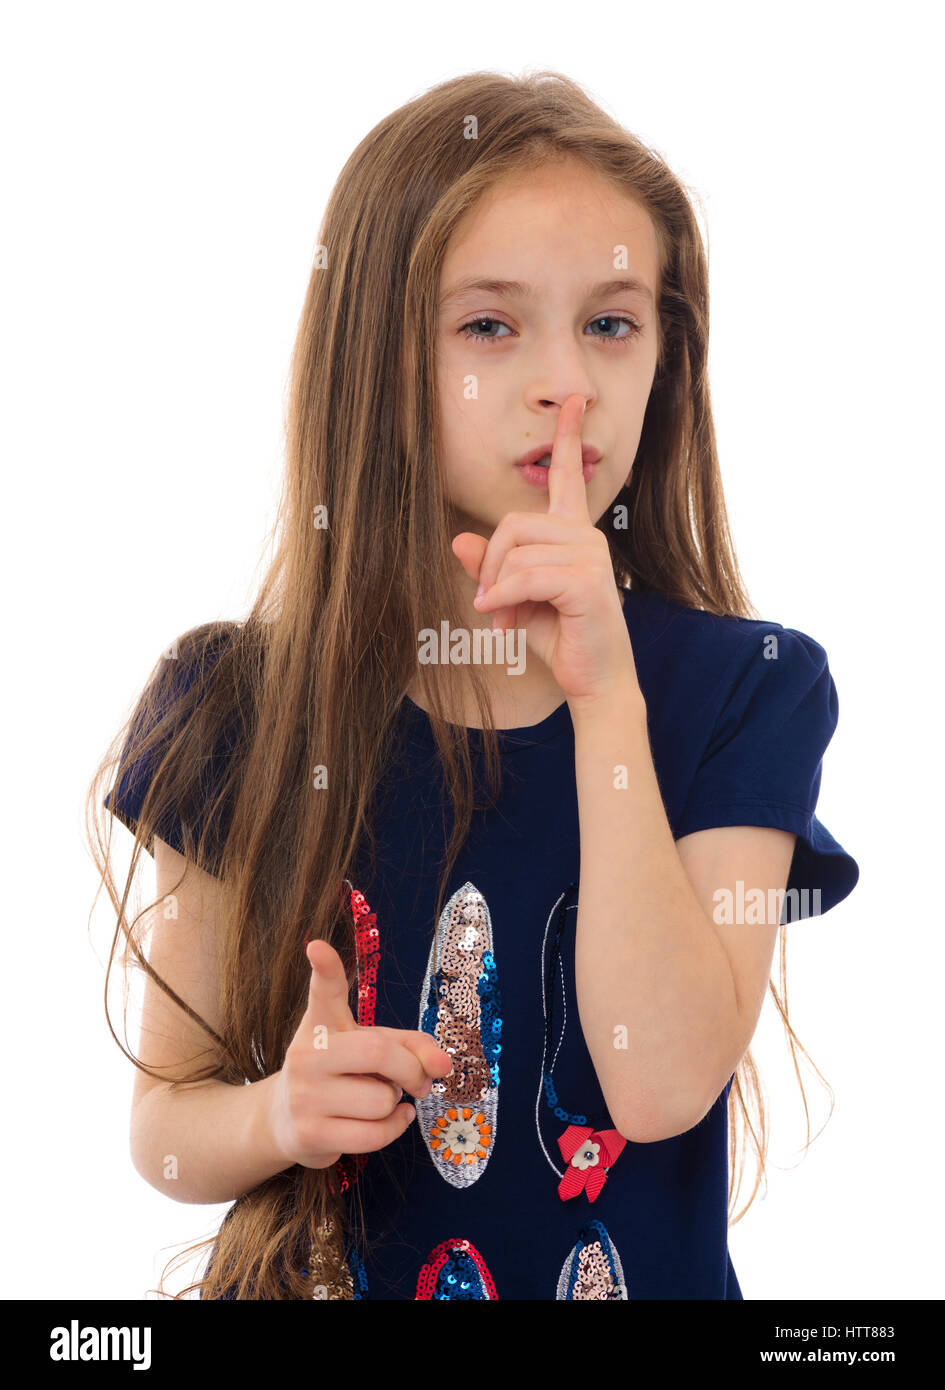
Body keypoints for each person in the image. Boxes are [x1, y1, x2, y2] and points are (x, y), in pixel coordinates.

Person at [88, 69, 859, 1301]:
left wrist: (606, 700)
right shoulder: (234, 703)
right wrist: (282, 1113)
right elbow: (165, 1130)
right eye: (491, 325)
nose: (568, 382)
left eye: (612, 323)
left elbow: (657, 1080)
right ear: (376, 357)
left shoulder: (744, 691)